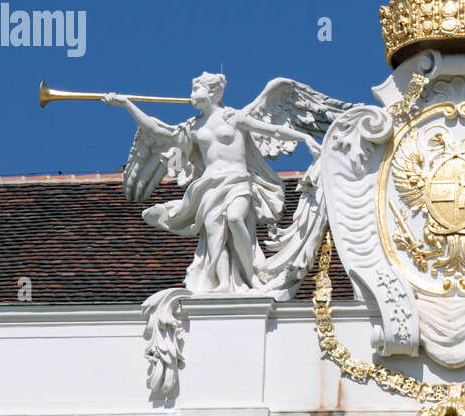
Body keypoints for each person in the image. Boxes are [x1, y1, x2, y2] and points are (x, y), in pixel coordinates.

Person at [104, 72, 320, 293]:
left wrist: (306, 138)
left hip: (237, 181)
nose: (191, 95)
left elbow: (272, 130)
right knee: (216, 236)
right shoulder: (193, 127)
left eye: (196, 90)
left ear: (213, 92)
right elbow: (158, 130)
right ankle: (224, 283)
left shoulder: (234, 117)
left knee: (235, 218)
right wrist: (126, 104)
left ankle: (252, 275)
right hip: (208, 186)